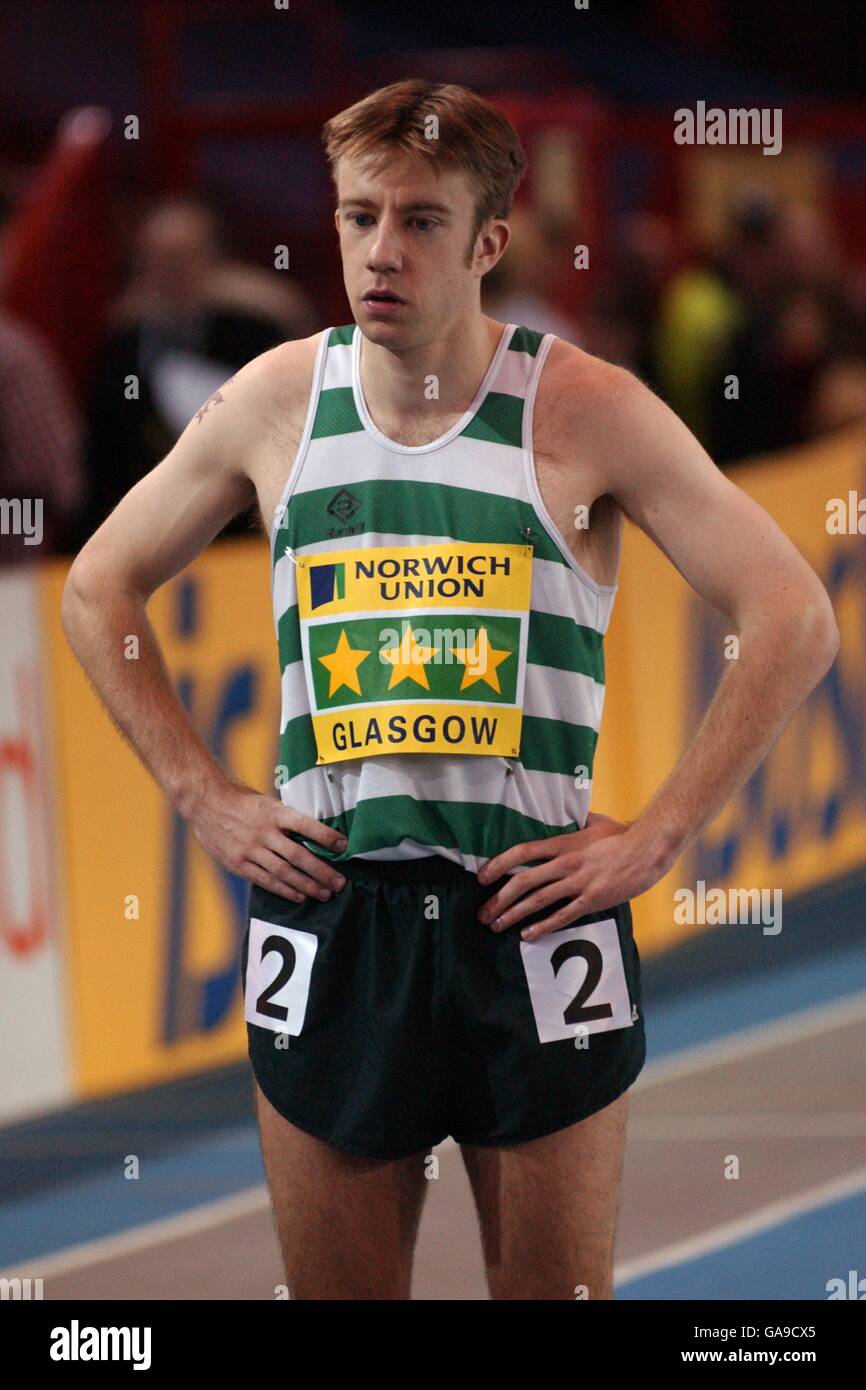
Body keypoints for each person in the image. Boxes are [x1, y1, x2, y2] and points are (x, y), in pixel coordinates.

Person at [61, 80, 839, 1300]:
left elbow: (791, 613)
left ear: (487, 242)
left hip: (528, 910)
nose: (380, 251)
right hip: (334, 911)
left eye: (419, 221)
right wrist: (202, 796)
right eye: (357, 215)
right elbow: (96, 589)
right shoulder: (275, 401)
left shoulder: (583, 410)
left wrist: (665, 831)